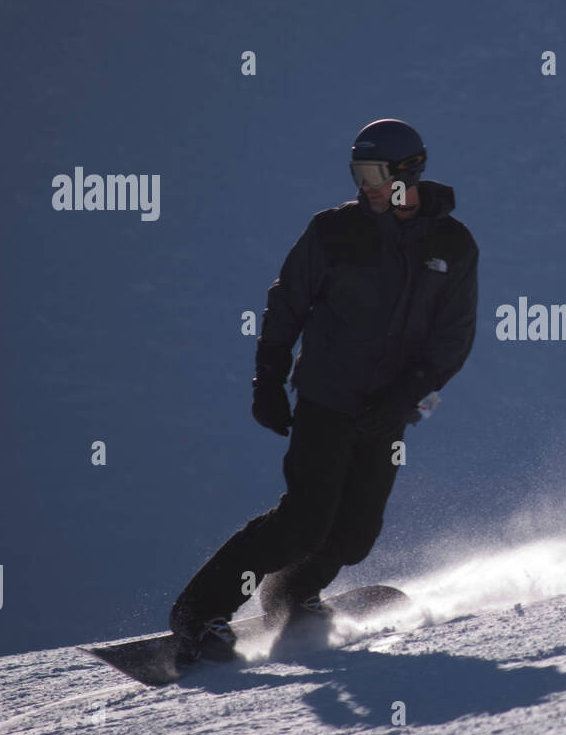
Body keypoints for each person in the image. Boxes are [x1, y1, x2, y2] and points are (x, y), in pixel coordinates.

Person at [168, 118, 479, 660]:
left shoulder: (452, 244)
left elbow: (453, 336)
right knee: (303, 522)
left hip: (387, 412)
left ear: (408, 173)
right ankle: (200, 613)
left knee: (355, 536)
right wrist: (268, 377)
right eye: (358, 173)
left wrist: (407, 394)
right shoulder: (334, 232)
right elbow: (287, 301)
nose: (365, 185)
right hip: (326, 399)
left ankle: (291, 594)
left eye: (374, 173)